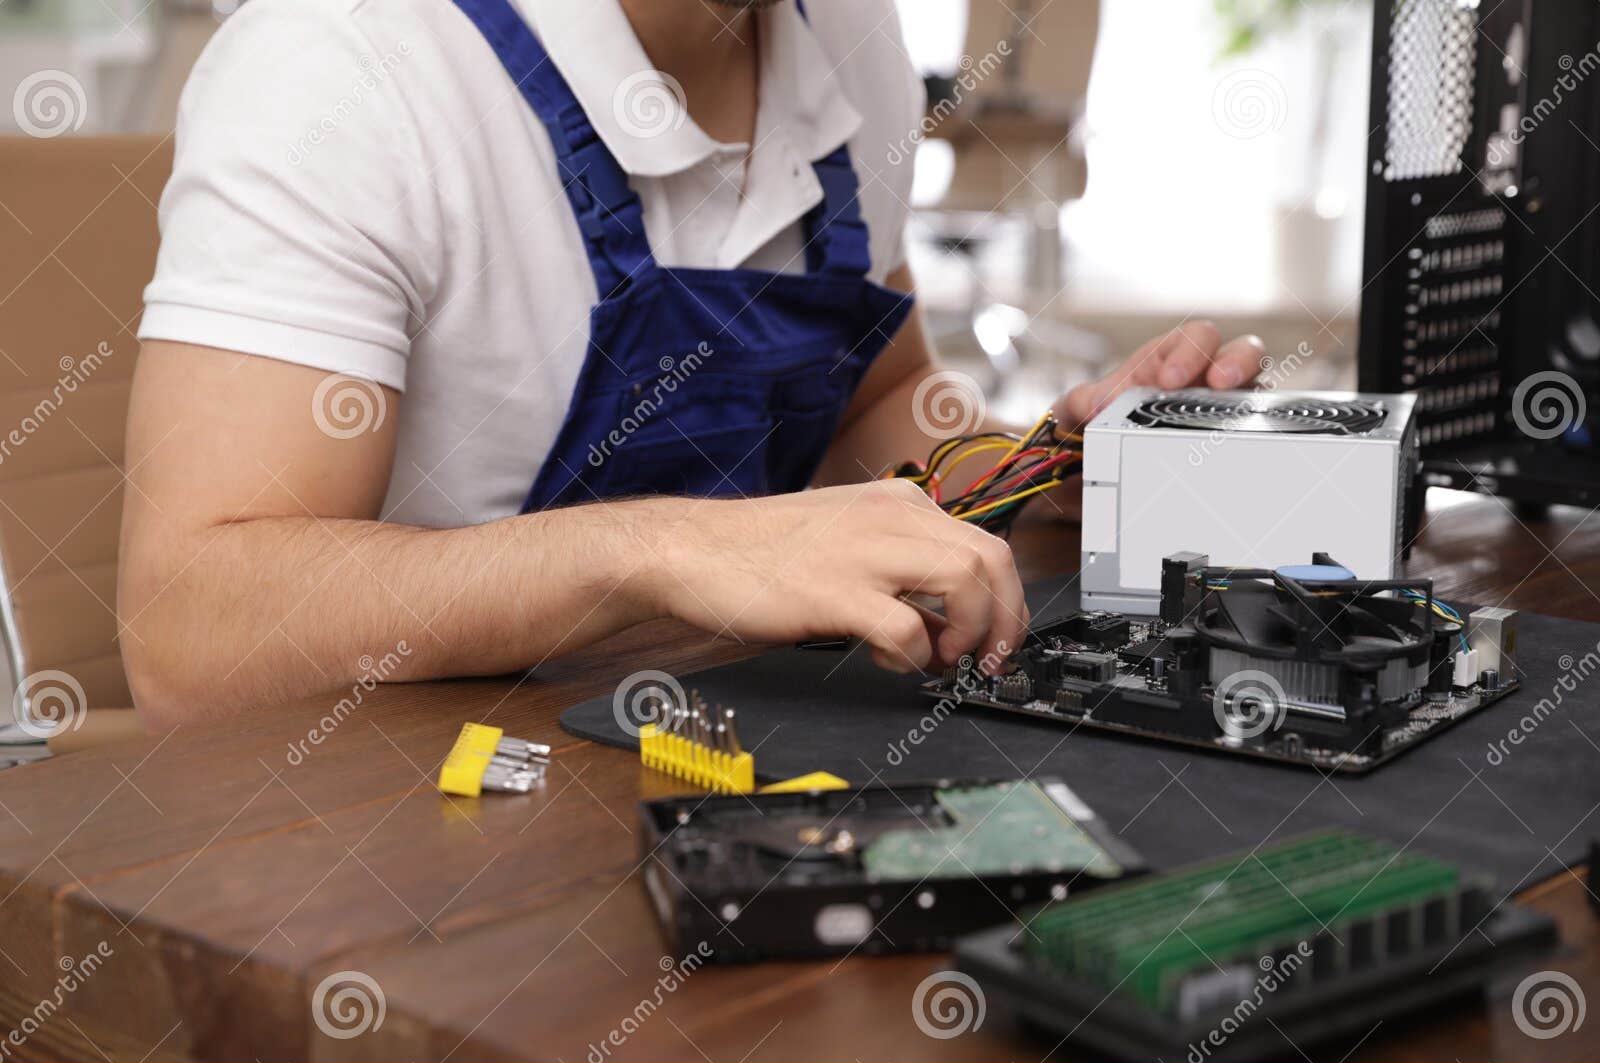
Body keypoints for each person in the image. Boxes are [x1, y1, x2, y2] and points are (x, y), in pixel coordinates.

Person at [119, 0, 1264, 728]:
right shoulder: (342, 65)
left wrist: (1039, 465)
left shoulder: (847, 36)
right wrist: (664, 548)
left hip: (719, 752)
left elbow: (876, 400)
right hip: (409, 823)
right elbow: (190, 629)